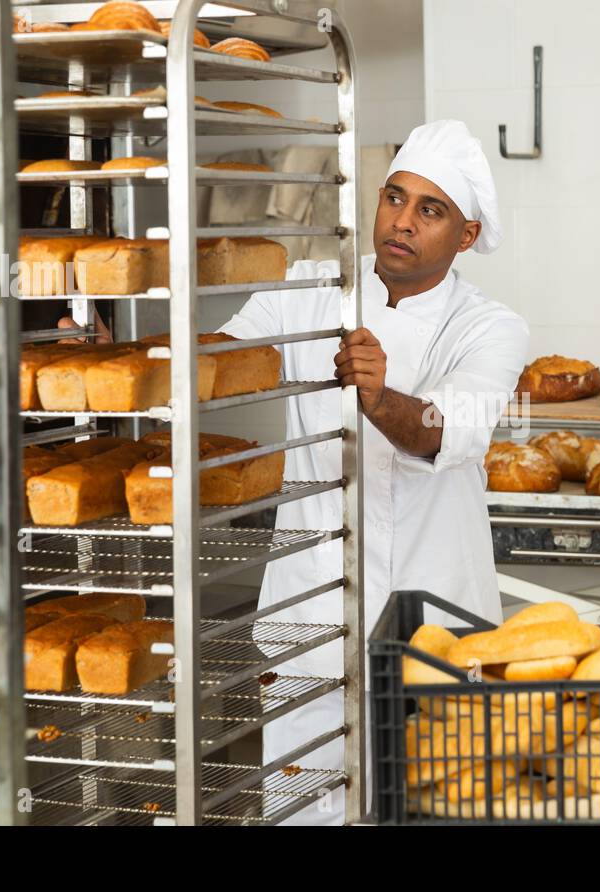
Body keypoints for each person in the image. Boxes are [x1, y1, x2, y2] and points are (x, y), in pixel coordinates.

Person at [218, 120, 529, 823]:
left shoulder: (492, 327)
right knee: (303, 815)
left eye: (431, 209)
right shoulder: (306, 290)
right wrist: (145, 355)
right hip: (311, 629)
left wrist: (379, 398)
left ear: (466, 236)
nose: (402, 220)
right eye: (395, 197)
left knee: (437, 809)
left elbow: (445, 433)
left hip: (440, 631)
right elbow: (216, 363)